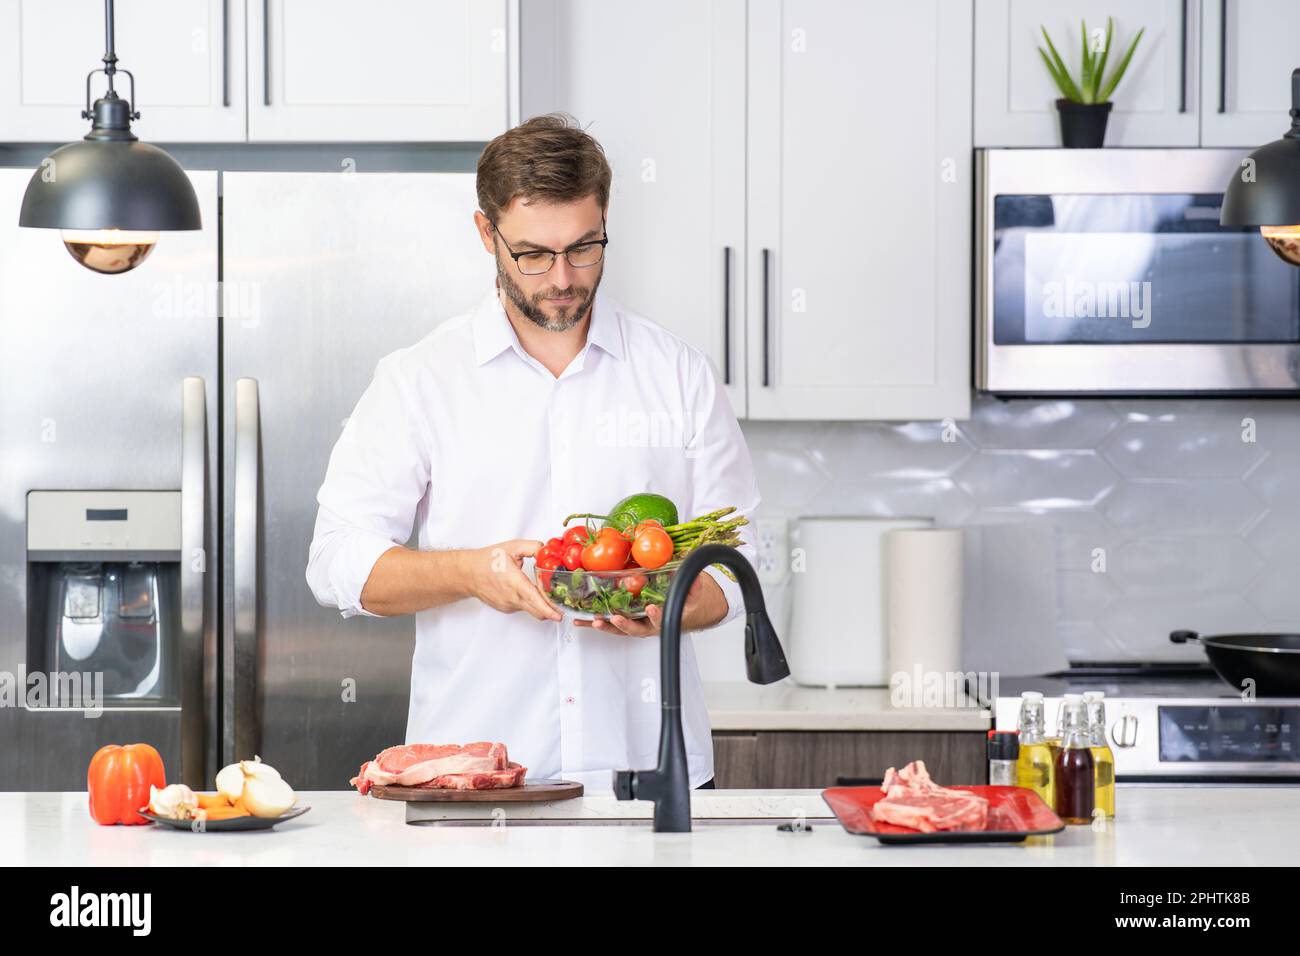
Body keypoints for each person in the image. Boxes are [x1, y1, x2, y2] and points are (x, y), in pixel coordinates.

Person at [306, 113, 759, 791]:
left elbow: (744, 554)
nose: (562, 278)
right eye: (533, 255)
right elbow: (335, 562)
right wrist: (471, 573)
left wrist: (679, 608)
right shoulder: (420, 380)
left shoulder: (679, 375)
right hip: (470, 791)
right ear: (486, 233)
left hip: (648, 779)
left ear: (604, 220)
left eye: (584, 247)